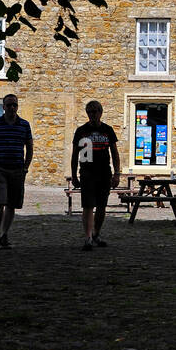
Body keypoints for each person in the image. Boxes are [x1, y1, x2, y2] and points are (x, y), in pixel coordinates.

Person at [0, 93, 34, 248]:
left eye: (15, 105)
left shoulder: (24, 125)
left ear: (17, 107)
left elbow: (30, 147)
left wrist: (25, 167)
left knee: (12, 204)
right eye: (9, 105)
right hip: (0, 169)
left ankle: (5, 235)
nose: (12, 107)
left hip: (17, 170)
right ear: (3, 107)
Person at [71, 99, 121, 249]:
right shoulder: (81, 131)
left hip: (104, 172)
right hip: (87, 173)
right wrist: (74, 175)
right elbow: (74, 155)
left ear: (101, 112)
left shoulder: (108, 130)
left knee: (101, 206)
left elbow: (115, 153)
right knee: (87, 206)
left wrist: (117, 173)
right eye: (90, 112)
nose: (93, 114)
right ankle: (87, 237)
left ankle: (96, 233)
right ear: (87, 113)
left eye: (95, 111)